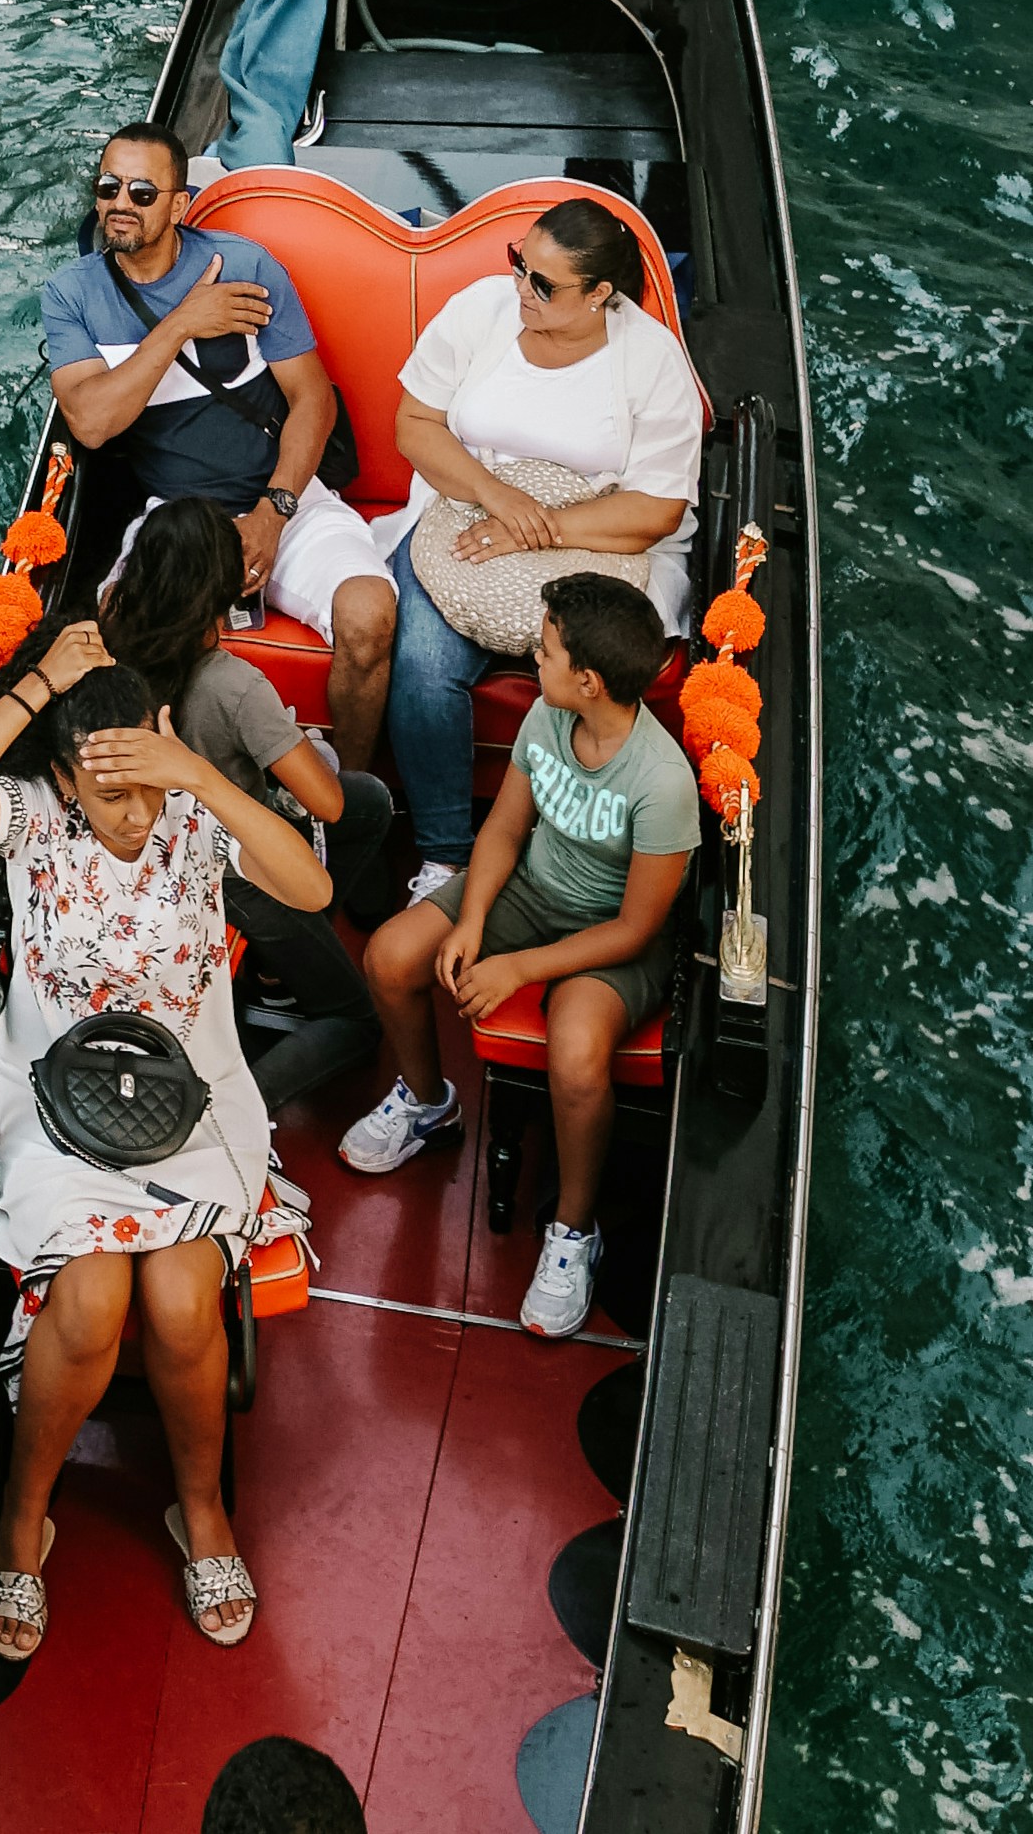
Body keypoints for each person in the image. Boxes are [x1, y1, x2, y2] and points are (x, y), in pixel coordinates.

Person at [0, 633, 325, 1663]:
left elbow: (309, 891)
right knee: (92, 1300)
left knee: (183, 1300)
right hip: (61, 1101)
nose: (135, 816)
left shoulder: (188, 806)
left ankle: (202, 1512)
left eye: (144, 782)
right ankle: (21, 1520)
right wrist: (39, 686)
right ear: (63, 779)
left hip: (193, 1096)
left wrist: (186, 769)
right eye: (110, 793)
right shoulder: (35, 819)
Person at [338, 568, 697, 1343]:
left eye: (545, 650)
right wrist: (471, 923)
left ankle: (573, 1231)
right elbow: (502, 831)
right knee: (393, 956)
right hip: (529, 895)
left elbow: (636, 929)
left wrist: (515, 969)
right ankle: (430, 1102)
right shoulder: (545, 716)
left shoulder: (663, 783)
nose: (533, 659)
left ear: (590, 681)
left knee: (575, 1050)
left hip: (609, 939)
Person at [379, 193, 707, 893]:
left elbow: (655, 509)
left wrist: (536, 530)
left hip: (605, 537)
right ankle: (445, 858)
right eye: (518, 265)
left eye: (543, 283)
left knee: (588, 677)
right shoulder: (480, 312)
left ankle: (575, 867)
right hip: (466, 515)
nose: (520, 288)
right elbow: (415, 424)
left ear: (600, 294)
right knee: (422, 663)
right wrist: (498, 501)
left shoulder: (651, 360)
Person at [42, 126, 397, 766]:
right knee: (112, 632)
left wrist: (274, 511)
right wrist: (182, 322)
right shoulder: (72, 294)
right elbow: (91, 423)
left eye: (143, 191)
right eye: (108, 186)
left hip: (283, 498)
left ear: (179, 205)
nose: (121, 201)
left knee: (369, 616)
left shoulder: (247, 267)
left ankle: (351, 795)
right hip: (176, 516)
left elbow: (312, 400)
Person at [99, 498, 406, 1102]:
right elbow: (326, 804)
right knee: (357, 1021)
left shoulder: (106, 632)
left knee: (370, 798)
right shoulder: (232, 684)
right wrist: (299, 741)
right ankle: (230, 1109)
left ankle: (272, 968)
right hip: (234, 868)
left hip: (147, 852)